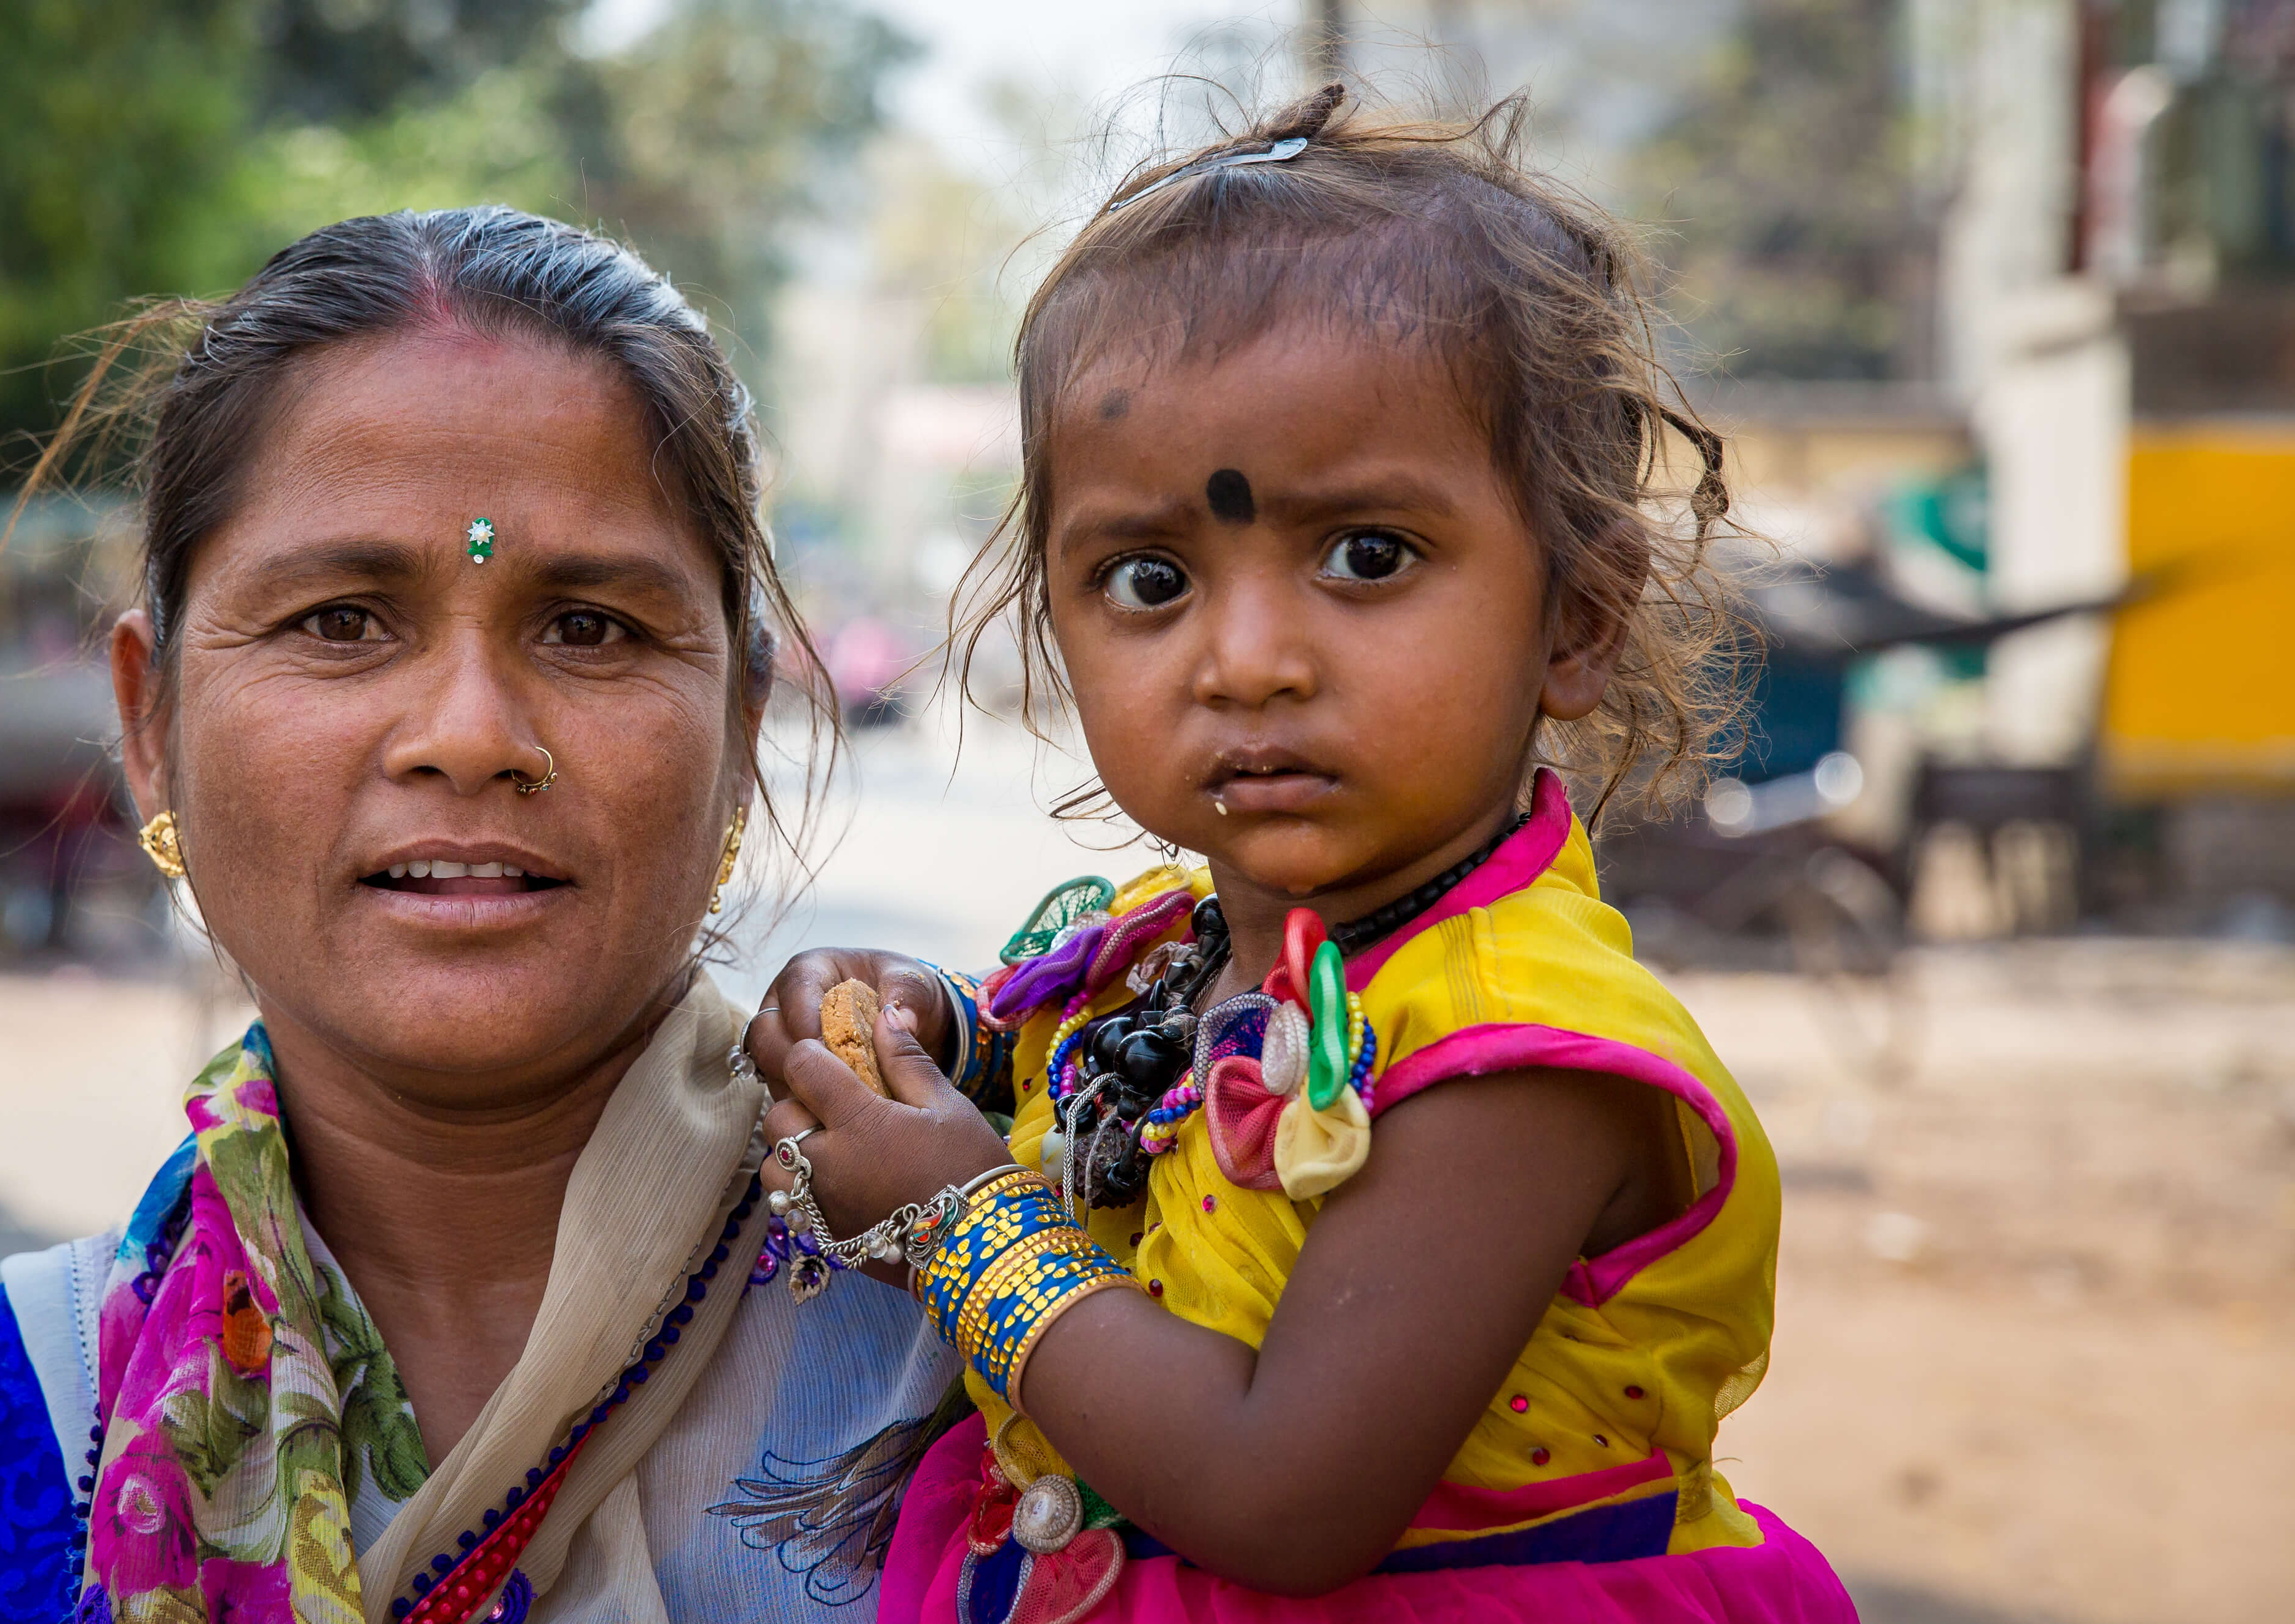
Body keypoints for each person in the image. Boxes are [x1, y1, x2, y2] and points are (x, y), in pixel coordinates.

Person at [0, 208, 985, 1624]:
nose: (469, 735)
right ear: (150, 724)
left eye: (590, 627)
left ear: (737, 725)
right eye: (342, 621)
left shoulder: (1033, 1361)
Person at [747, 87, 1859, 1621]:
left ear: (1576, 618)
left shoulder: (1512, 1055)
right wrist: (925, 1033)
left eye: (1365, 556)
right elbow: (1113, 1122)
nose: (1248, 661)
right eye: (1149, 579)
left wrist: (958, 1218)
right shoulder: (1168, 950)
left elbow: (1280, 1492)